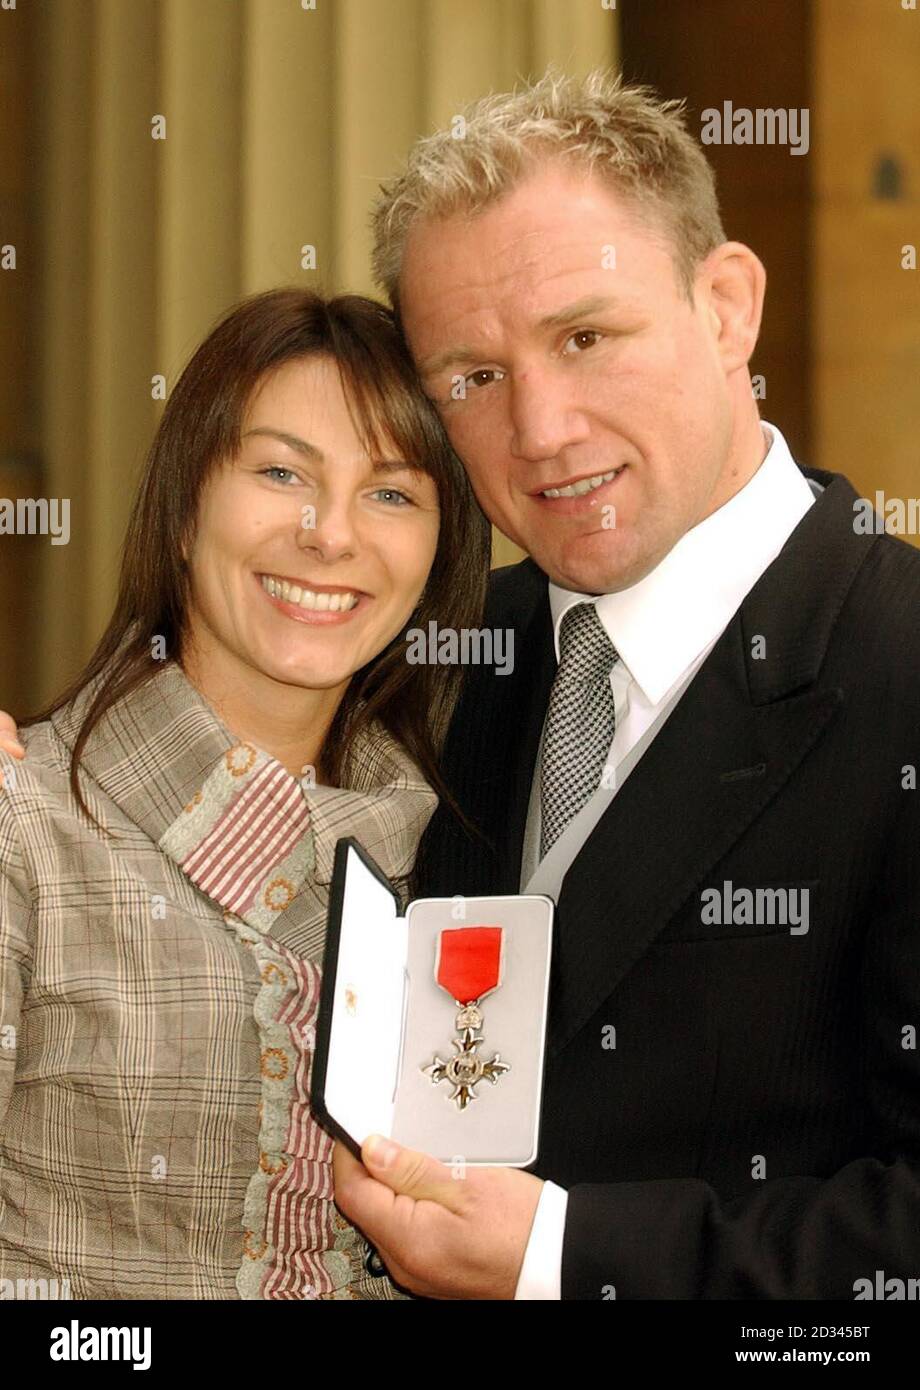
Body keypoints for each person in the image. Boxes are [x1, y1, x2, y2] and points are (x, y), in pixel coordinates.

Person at [323, 69, 920, 1299]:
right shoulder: (434, 660)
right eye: (471, 378)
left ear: (726, 307)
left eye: (583, 336)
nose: (538, 427)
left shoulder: (900, 663)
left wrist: (557, 1258)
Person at [0, 286, 491, 1299]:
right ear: (184, 510)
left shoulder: (450, 849)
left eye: (392, 492)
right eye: (280, 472)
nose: (329, 535)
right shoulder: (27, 829)